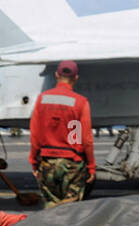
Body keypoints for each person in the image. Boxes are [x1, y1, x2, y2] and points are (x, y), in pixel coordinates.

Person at [29, 60, 94, 208]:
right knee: (71, 211)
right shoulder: (81, 102)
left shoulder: (42, 99)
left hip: (47, 163)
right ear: (76, 77)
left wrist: (33, 161)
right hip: (72, 164)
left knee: (51, 209)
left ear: (56, 75)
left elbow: (35, 135)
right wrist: (91, 166)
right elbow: (86, 139)